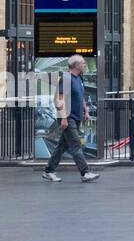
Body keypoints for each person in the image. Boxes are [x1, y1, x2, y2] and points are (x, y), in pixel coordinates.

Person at [41, 55, 99, 183]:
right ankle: (85, 172)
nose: (85, 65)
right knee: (76, 144)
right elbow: (59, 99)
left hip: (76, 117)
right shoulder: (66, 79)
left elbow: (80, 95)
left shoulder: (79, 78)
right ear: (76, 65)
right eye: (83, 63)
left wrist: (85, 110)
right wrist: (63, 118)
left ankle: (48, 171)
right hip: (68, 117)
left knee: (62, 146)